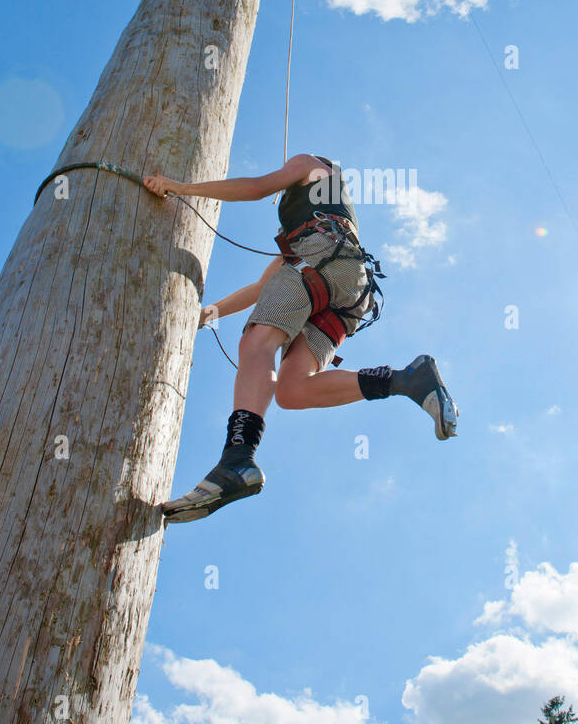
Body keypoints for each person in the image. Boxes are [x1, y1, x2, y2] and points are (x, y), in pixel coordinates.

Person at [143, 154, 458, 523]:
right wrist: (205, 316)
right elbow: (264, 288)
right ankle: (407, 379)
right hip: (351, 289)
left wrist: (178, 188)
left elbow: (256, 188)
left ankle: (237, 460)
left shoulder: (310, 164)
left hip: (322, 262)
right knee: (292, 391)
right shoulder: (319, 228)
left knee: (257, 343)